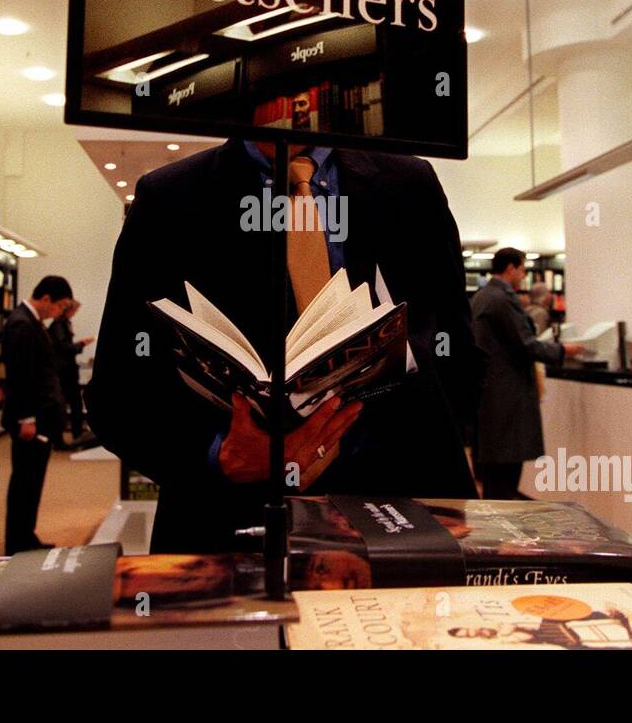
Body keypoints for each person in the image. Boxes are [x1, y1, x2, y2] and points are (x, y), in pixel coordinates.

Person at [87, 139, 483, 553]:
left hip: (403, 501)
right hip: (231, 518)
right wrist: (219, 453)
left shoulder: (409, 181)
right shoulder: (170, 195)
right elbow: (116, 393)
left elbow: (455, 347)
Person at [470, 248, 582, 501]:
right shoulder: (502, 299)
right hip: (507, 401)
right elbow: (525, 343)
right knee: (505, 480)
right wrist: (564, 350)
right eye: (522, 269)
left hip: (490, 400)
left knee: (493, 479)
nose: (523, 276)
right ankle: (502, 538)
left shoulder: (481, 297)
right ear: (511, 268)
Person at [0, 275, 73, 555]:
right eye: (60, 306)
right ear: (46, 299)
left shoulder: (29, 322)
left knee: (31, 482)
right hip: (30, 420)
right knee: (24, 482)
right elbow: (21, 376)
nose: (59, 312)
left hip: (40, 417)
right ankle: (17, 542)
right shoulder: (21, 324)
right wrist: (27, 418)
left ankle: (25, 536)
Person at [46, 298, 95, 451]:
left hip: (66, 369)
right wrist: (81, 344)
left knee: (72, 404)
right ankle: (65, 439)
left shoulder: (62, 324)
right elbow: (63, 347)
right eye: (74, 311)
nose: (75, 314)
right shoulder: (59, 325)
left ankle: (76, 436)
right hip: (63, 371)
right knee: (68, 404)